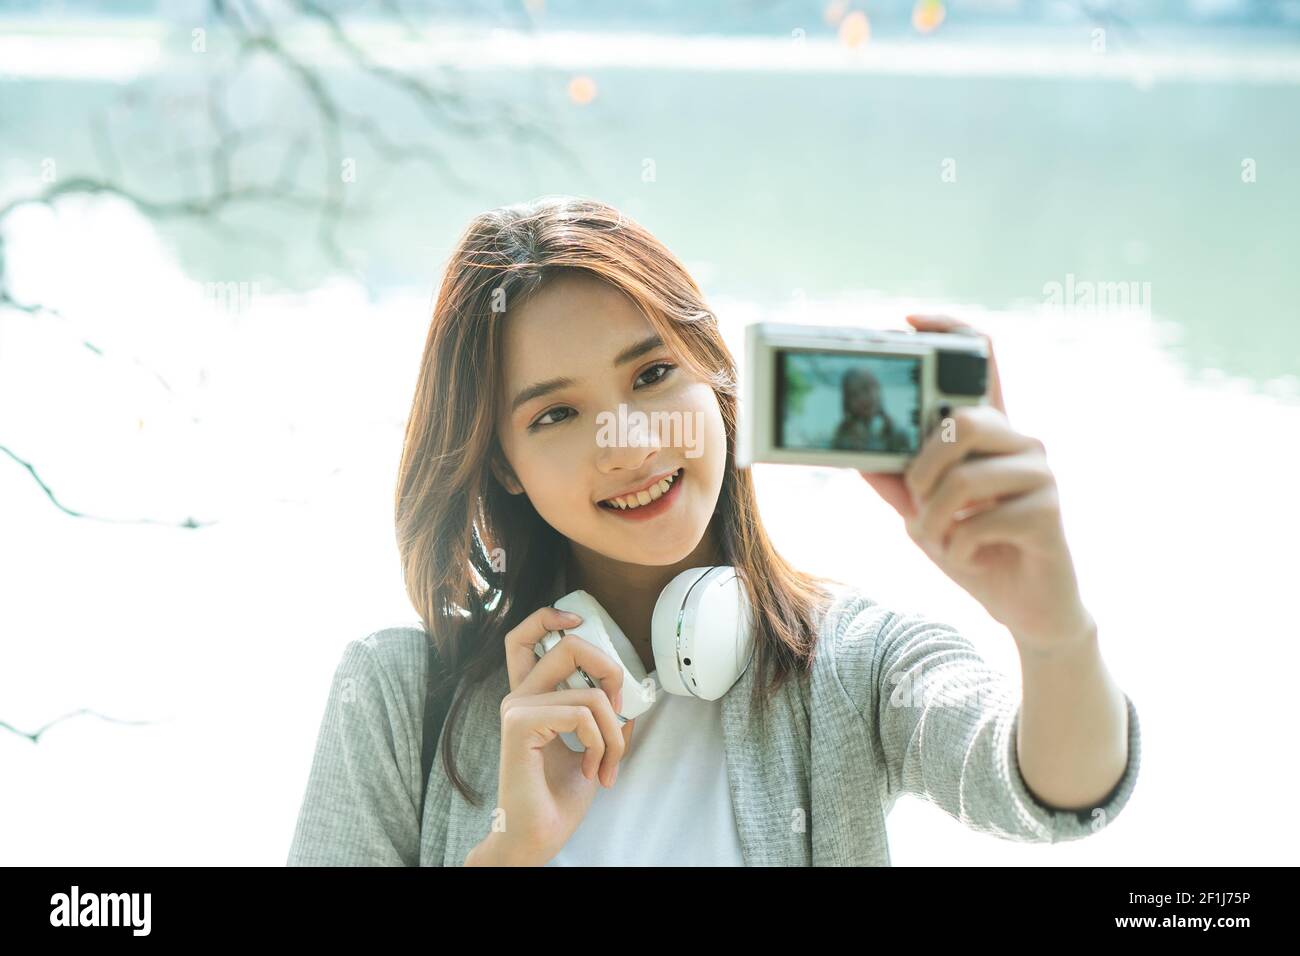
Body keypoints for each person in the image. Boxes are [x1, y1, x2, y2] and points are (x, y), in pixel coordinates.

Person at [286, 196, 1141, 867]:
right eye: (556, 413)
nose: (629, 441)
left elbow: (1059, 792)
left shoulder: (848, 666)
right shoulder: (395, 699)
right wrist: (510, 854)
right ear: (503, 462)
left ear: (718, 380)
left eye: (654, 373)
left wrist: (1051, 630)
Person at [830, 366, 912, 453]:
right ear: (847, 402)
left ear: (878, 390)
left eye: (866, 389)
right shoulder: (842, 436)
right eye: (854, 394)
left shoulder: (897, 433)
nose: (863, 399)